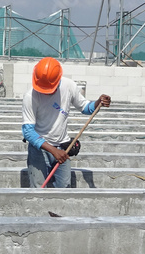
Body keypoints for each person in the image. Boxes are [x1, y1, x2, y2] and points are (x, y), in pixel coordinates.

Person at [22, 57, 111, 188]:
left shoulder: (69, 86)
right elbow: (28, 131)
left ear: (57, 80)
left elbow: (85, 107)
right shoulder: (30, 96)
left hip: (63, 147)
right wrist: (53, 150)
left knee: (64, 190)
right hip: (39, 149)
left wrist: (98, 103)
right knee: (38, 190)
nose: (46, 92)